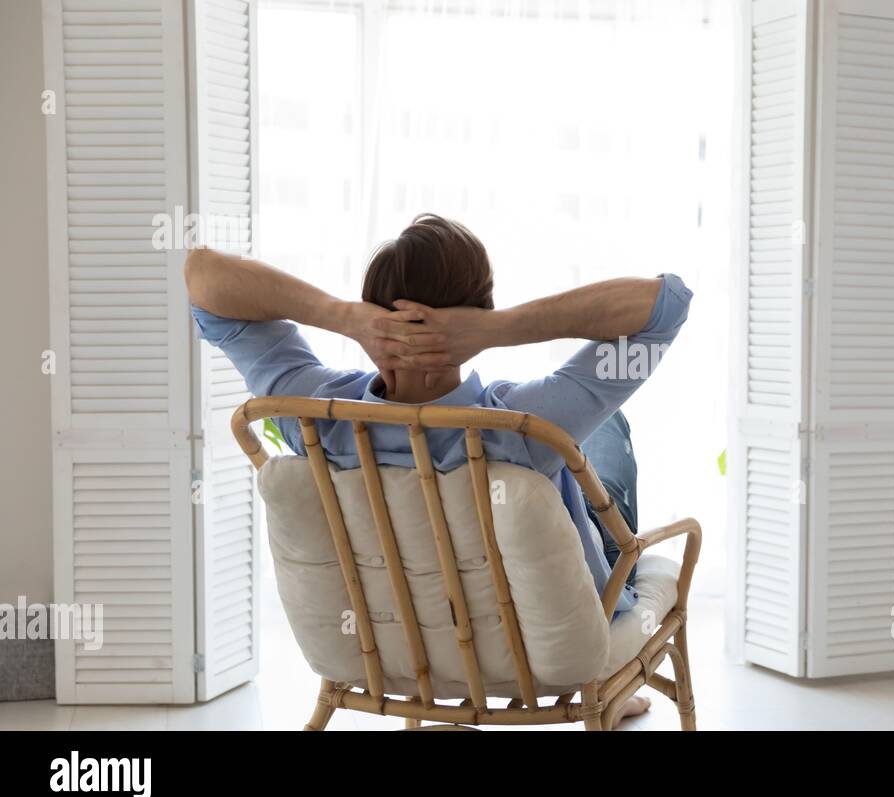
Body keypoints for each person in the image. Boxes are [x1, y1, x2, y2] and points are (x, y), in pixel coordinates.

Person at [185, 213, 692, 726]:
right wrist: (498, 329)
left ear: (369, 312)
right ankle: (613, 692)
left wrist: (343, 317)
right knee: (605, 435)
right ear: (478, 310)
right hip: (548, 650)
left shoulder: (315, 417)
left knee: (581, 448)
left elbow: (202, 277)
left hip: (391, 652)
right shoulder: (526, 427)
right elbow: (666, 303)